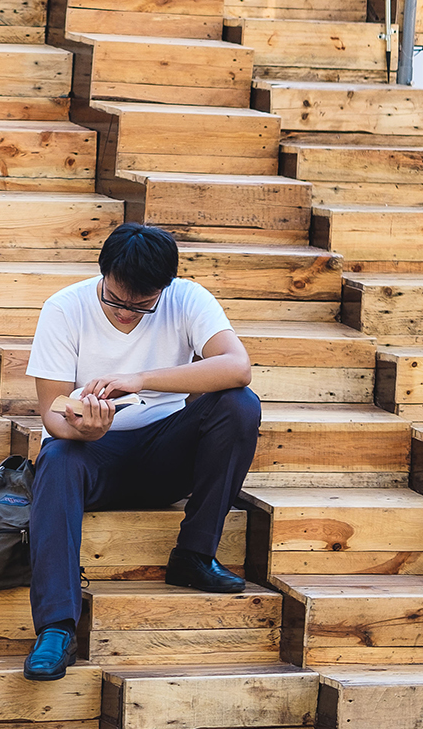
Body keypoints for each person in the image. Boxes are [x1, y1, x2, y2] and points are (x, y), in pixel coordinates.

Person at [21, 222, 262, 682]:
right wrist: (84, 432)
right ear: (102, 273)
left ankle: (193, 556)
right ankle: (56, 628)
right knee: (55, 457)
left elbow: (238, 367)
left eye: (142, 305)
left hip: (165, 451)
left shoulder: (188, 298)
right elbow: (50, 415)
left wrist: (141, 379)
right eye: (115, 300)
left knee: (238, 405)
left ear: (164, 287)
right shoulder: (65, 308)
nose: (127, 313)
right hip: (92, 456)